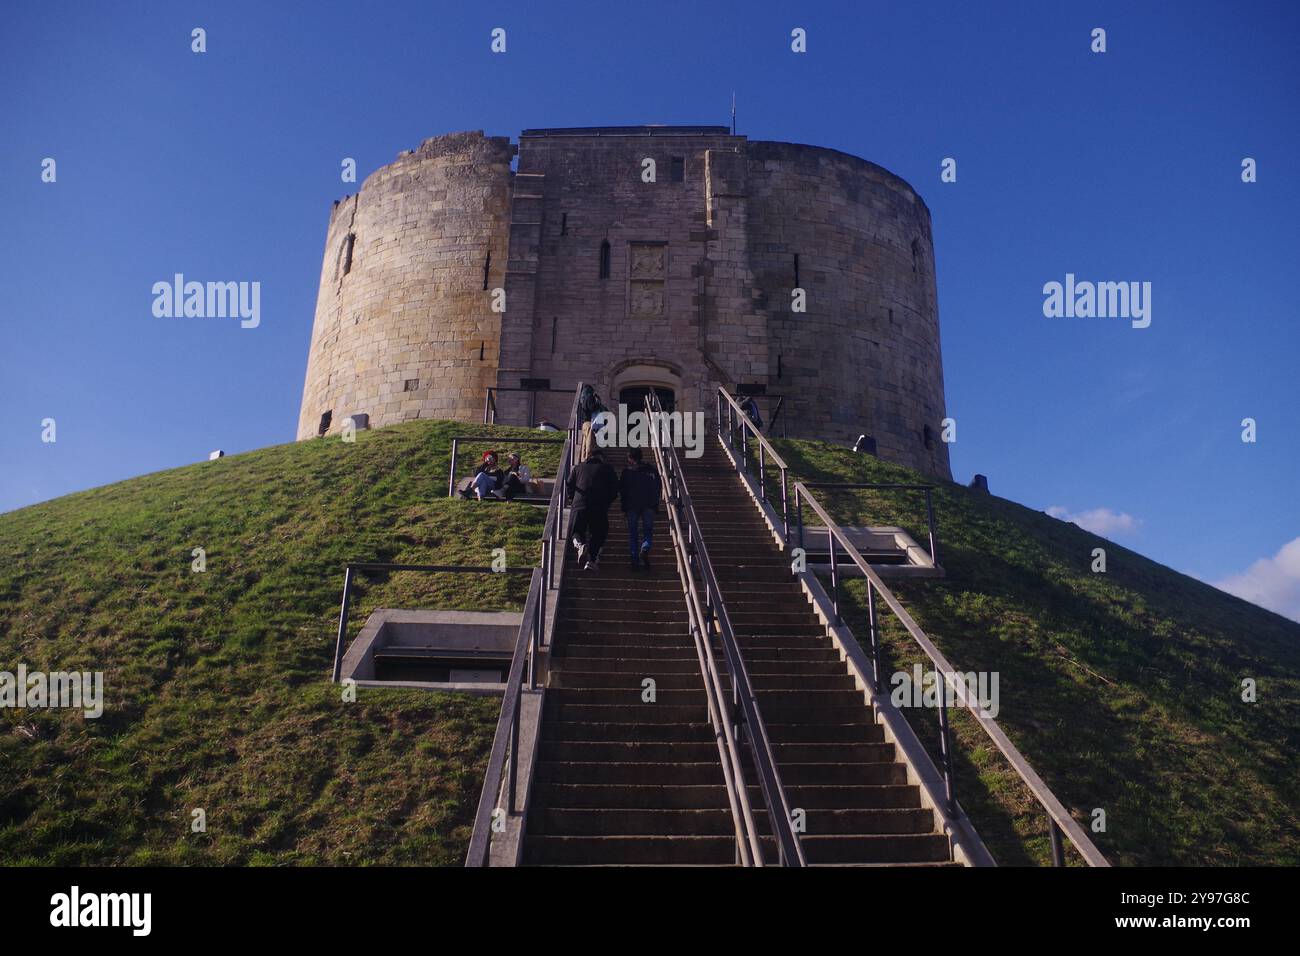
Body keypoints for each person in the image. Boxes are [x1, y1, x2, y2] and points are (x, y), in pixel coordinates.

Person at [565, 447, 619, 570]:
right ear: (602, 458)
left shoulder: (578, 467)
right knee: (599, 532)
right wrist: (607, 502)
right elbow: (615, 488)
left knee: (577, 530)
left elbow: (569, 484)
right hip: (599, 506)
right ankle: (592, 560)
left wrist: (572, 498)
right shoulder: (607, 469)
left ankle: (579, 545)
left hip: (579, 504)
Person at [619, 448, 661, 570]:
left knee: (633, 533)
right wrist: (655, 504)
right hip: (649, 505)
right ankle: (645, 547)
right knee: (647, 531)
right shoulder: (652, 470)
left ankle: (634, 561)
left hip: (632, 506)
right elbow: (658, 486)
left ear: (630, 459)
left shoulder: (627, 472)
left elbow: (622, 490)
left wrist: (623, 507)